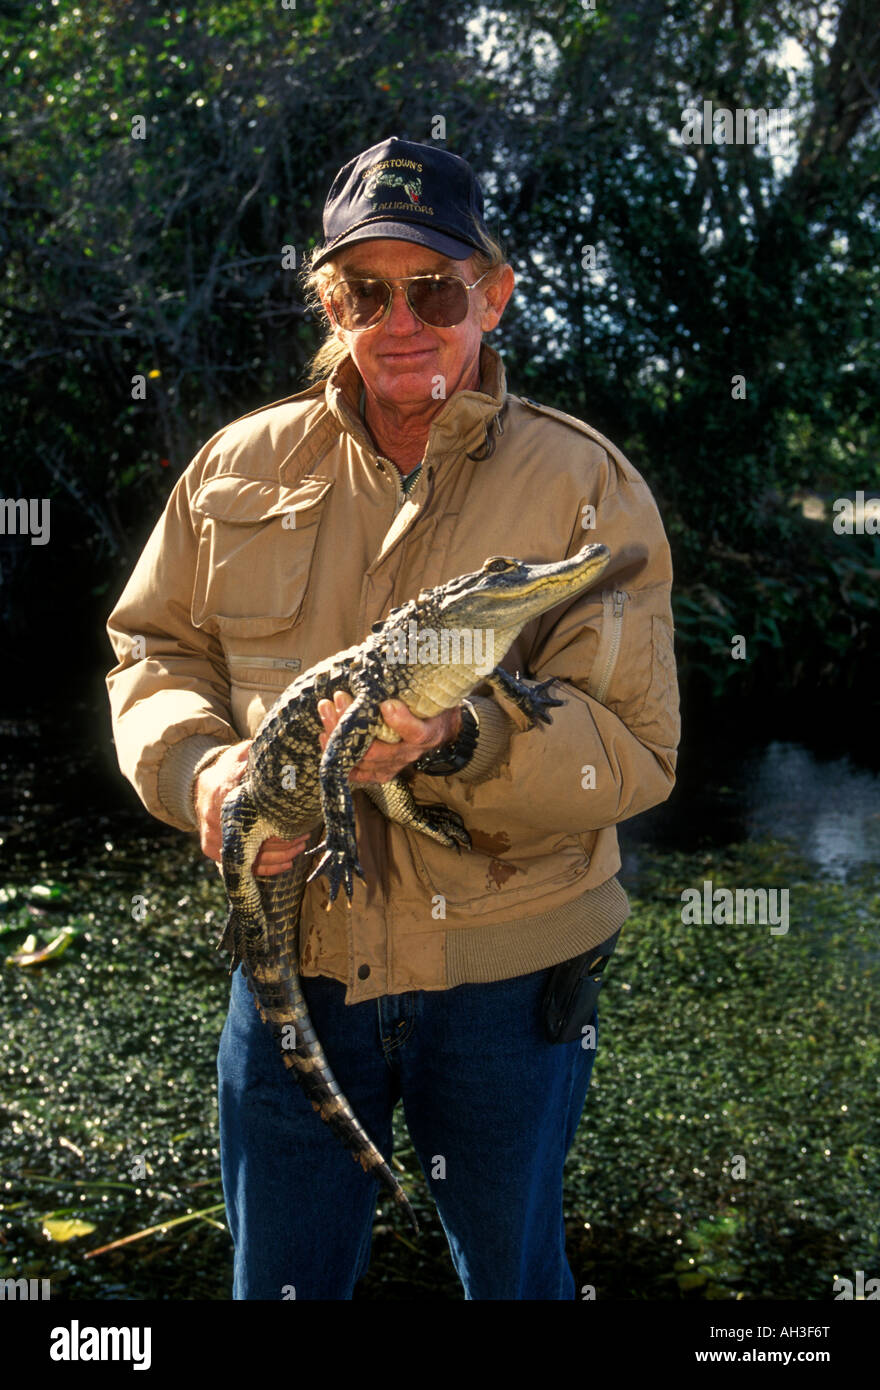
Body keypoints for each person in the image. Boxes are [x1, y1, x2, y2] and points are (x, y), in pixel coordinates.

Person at [106, 135, 680, 1301]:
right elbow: (151, 650)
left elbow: (634, 753)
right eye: (366, 288)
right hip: (292, 953)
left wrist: (462, 740)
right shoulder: (234, 466)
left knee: (517, 1283)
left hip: (508, 990)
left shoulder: (585, 487)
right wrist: (201, 775)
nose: (402, 317)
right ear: (330, 298)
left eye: (435, 286)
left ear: (493, 292)